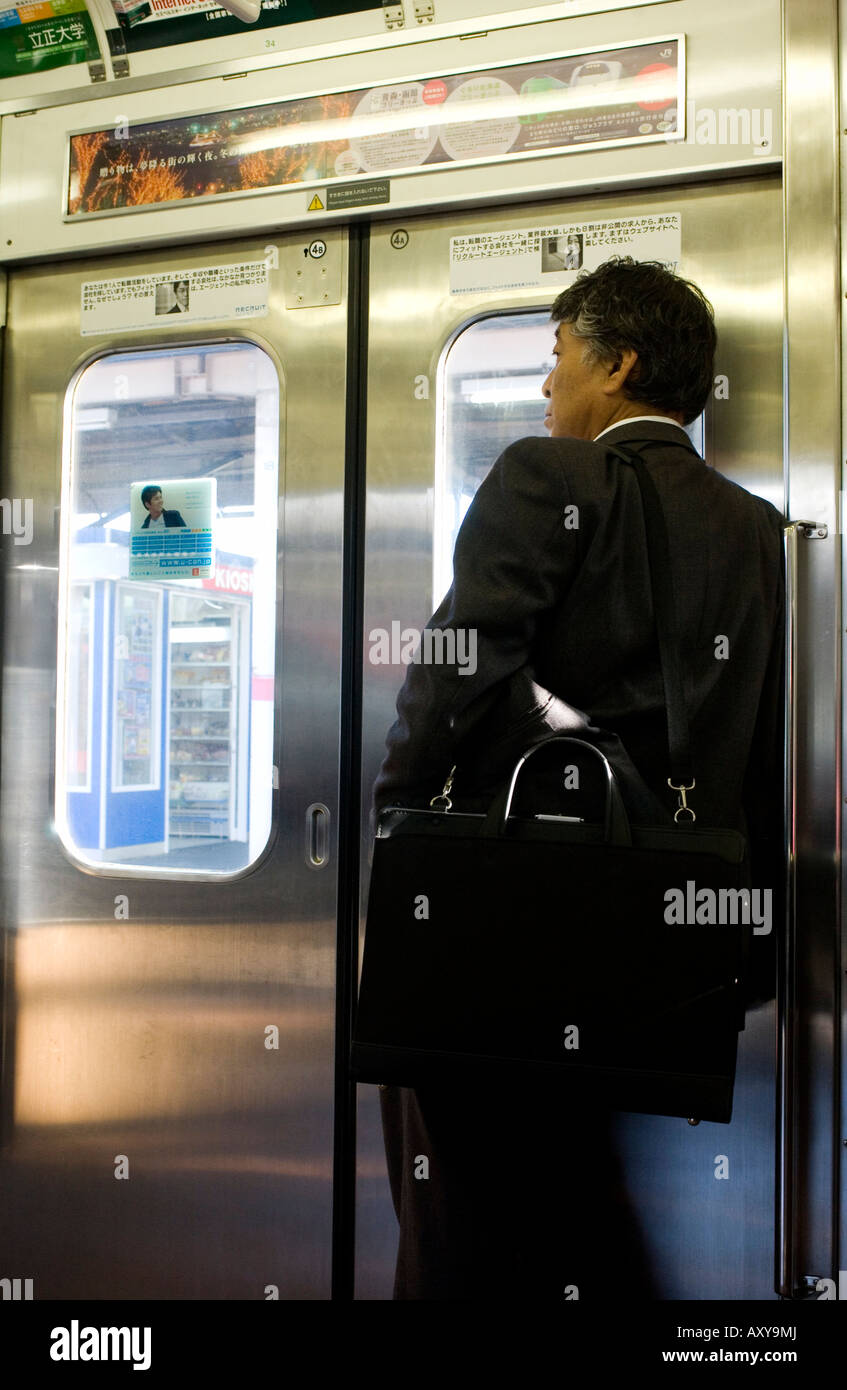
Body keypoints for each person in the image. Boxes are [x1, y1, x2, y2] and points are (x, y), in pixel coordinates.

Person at [371, 256, 785, 1300]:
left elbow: (458, 671)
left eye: (558, 359)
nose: (546, 388)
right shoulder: (754, 529)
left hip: (506, 927)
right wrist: (748, 934)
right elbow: (764, 741)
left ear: (619, 363)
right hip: (668, 943)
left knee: (460, 1217)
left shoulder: (545, 478)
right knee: (574, 1204)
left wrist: (398, 824)